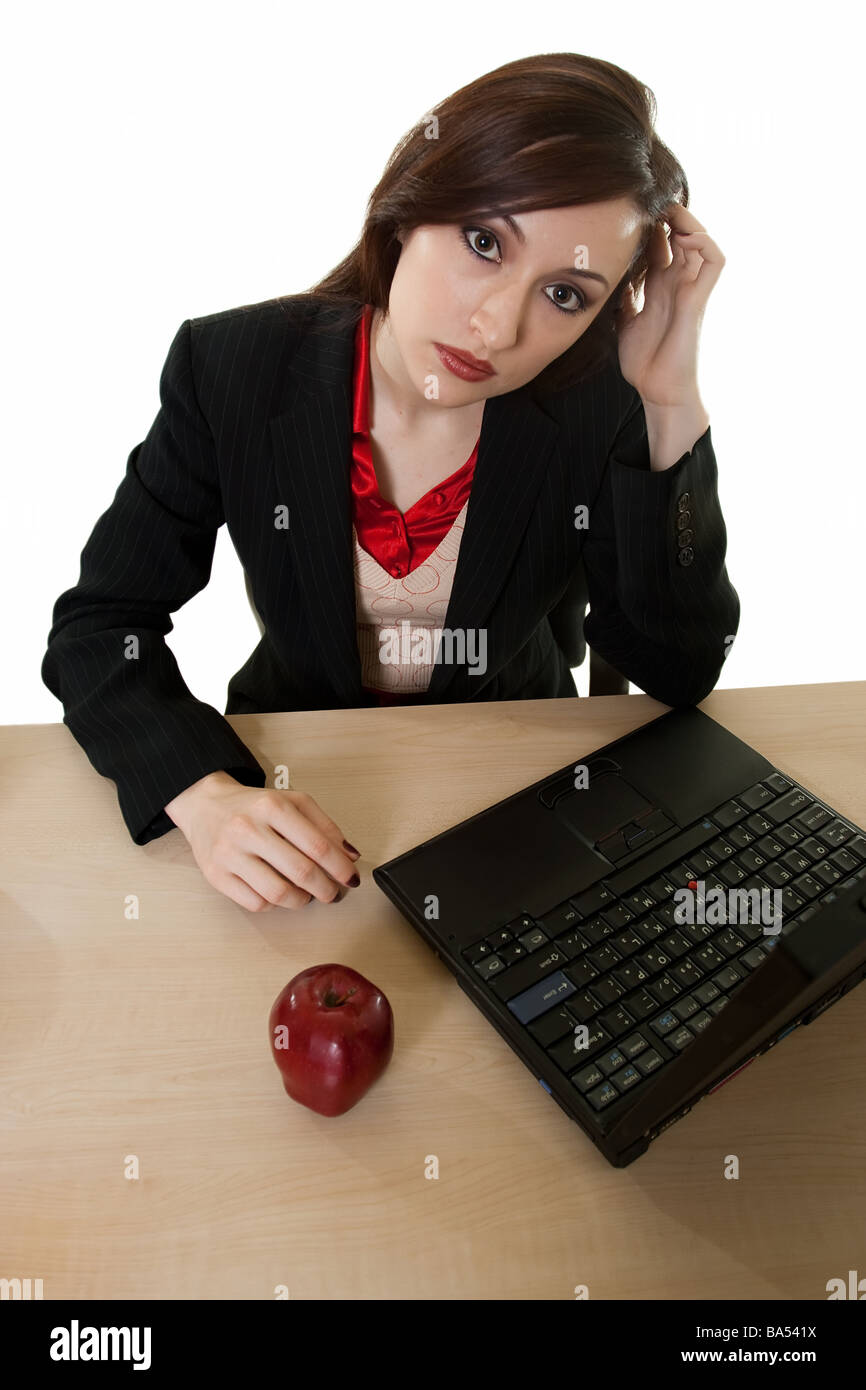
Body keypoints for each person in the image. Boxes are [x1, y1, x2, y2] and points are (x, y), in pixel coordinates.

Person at [40, 52, 740, 915]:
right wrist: (204, 793)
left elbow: (677, 668)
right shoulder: (234, 369)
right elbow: (102, 626)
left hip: (515, 777)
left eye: (564, 293)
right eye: (484, 243)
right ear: (412, 207)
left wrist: (670, 401)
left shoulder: (598, 406)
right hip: (301, 766)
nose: (495, 327)